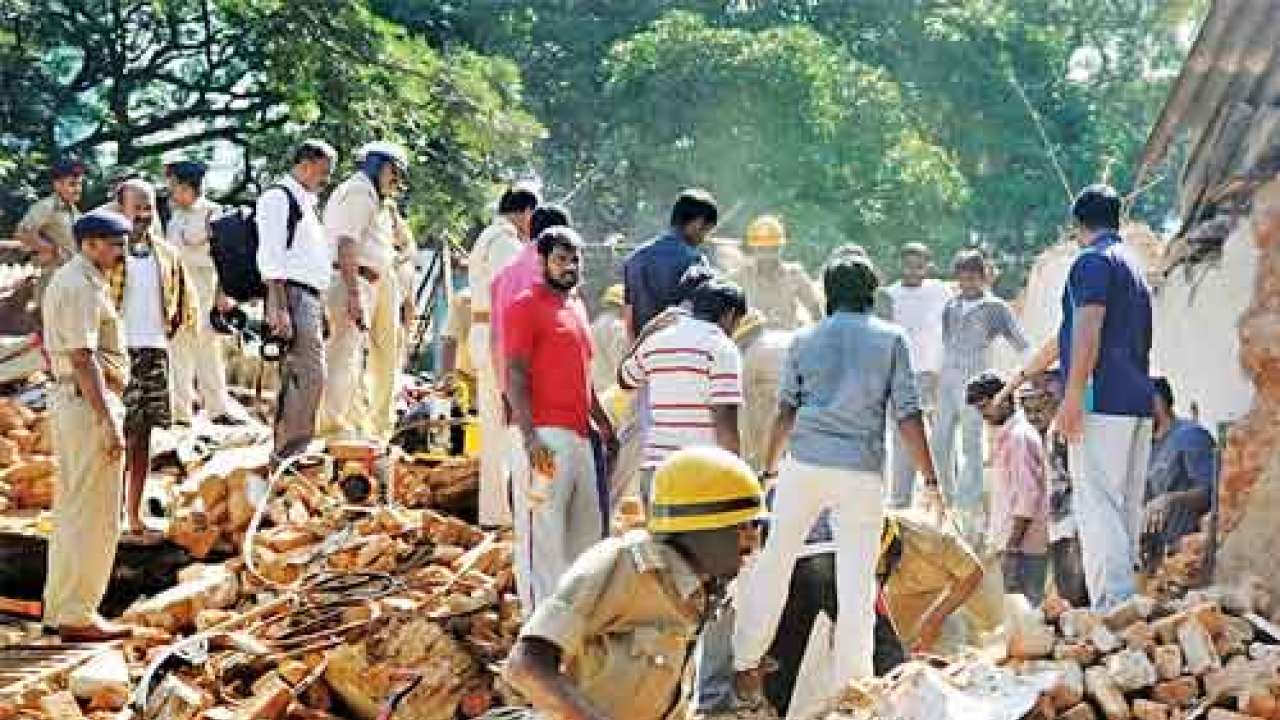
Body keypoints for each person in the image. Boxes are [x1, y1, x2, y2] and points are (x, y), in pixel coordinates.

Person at [734, 252, 941, 696]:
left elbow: (785, 411)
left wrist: (768, 468)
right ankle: (854, 686)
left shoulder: (803, 339)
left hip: (803, 466)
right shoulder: (891, 339)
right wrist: (931, 479)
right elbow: (908, 415)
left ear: (828, 293)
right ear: (870, 293)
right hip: (860, 473)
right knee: (856, 583)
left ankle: (745, 659)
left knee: (774, 563)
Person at [503, 446, 763, 720]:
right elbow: (526, 666)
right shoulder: (624, 564)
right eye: (742, 527)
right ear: (701, 528)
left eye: (757, 527)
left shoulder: (703, 596)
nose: (753, 541)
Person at [1002, 184, 1154, 611]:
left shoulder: (1091, 262)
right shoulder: (1132, 265)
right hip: (1136, 400)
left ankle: (1113, 602)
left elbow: (1087, 329)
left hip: (1100, 399)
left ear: (1077, 227)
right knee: (1122, 505)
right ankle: (1126, 602)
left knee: (1096, 502)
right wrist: (1022, 375)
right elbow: (1065, 335)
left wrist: (1073, 398)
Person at [765, 514, 986, 718]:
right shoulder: (852, 555)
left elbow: (974, 573)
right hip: (901, 609)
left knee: (948, 677)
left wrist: (935, 619)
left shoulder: (927, 539)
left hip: (949, 599)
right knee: (901, 674)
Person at [505, 227, 617, 610]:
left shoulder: (577, 308)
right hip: (543, 440)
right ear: (542, 262)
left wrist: (604, 423)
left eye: (575, 259)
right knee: (543, 535)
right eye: (560, 259)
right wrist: (529, 438)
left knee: (585, 537)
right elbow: (514, 374)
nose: (570, 267)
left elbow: (583, 376)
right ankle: (538, 626)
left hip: (581, 437)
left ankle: (573, 622)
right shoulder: (524, 305)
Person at [41, 210, 130, 642]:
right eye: (114, 244)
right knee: (94, 514)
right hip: (87, 403)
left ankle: (62, 608)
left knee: (74, 509)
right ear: (90, 244)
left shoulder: (79, 280)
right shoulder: (79, 285)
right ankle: (78, 613)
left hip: (76, 401)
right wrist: (107, 419)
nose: (121, 253)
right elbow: (82, 357)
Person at [106, 179, 197, 543]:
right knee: (115, 436)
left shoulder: (166, 254)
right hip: (118, 354)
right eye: (137, 207)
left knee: (143, 437)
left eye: (149, 207)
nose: (144, 214)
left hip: (154, 352)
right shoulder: (108, 254)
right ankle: (108, 515)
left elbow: (184, 303)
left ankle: (133, 514)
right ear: (120, 208)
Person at [618, 279, 746, 504]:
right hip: (699, 472)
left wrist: (646, 332)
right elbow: (725, 421)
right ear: (730, 315)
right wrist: (737, 476)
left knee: (658, 529)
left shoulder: (655, 341)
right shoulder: (721, 347)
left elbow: (624, 380)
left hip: (657, 471)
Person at [933, 250, 1028, 536]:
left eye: (973, 277)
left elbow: (1020, 342)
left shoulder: (995, 308)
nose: (967, 283)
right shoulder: (950, 307)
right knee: (939, 442)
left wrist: (1028, 372)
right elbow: (946, 344)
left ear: (983, 277)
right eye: (962, 277)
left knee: (971, 445)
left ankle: (967, 508)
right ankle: (947, 499)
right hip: (948, 382)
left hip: (975, 383)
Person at [320, 141, 409, 442]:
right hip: (353, 279)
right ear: (378, 166)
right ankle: (331, 428)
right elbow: (346, 243)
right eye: (393, 171)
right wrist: (354, 294)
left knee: (360, 358)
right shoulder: (358, 192)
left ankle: (363, 425)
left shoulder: (376, 199)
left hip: (371, 281)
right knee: (342, 357)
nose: (396, 180)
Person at [258, 140, 337, 465]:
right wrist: (278, 306)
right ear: (306, 165)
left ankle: (294, 450)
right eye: (323, 171)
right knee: (306, 375)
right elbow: (271, 255)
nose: (326, 179)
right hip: (290, 294)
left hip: (309, 296)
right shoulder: (279, 198)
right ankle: (288, 454)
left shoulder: (306, 203)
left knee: (309, 375)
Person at [468, 185, 539, 528]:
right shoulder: (504, 242)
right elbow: (507, 298)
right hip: (498, 336)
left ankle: (496, 511)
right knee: (505, 426)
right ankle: (502, 512)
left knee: (494, 426)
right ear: (526, 212)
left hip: (485, 332)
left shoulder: (489, 237)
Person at [164, 160, 243, 426]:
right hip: (177, 283)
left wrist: (223, 293)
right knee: (179, 349)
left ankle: (218, 409)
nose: (171, 191)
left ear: (187, 186)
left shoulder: (213, 213)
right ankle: (180, 412)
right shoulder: (174, 215)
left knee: (208, 349)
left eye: (174, 185)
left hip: (204, 283)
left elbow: (223, 258)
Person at [966, 371, 1049, 604]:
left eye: (985, 406)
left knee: (1026, 615)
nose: (983, 415)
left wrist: (1011, 548)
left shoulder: (1018, 438)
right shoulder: (1009, 435)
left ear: (1004, 398)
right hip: (1013, 546)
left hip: (1023, 549)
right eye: (979, 409)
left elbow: (1027, 498)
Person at [885, 242, 951, 509]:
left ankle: (947, 499)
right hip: (901, 375)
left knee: (942, 438)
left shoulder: (940, 291)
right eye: (909, 265)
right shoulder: (890, 296)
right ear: (900, 265)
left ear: (928, 267)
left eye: (919, 266)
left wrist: (943, 370)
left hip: (935, 374)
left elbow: (950, 329)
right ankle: (900, 500)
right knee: (903, 439)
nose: (913, 271)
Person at [492, 203, 573, 395]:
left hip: (511, 385)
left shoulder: (503, 276)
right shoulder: (555, 273)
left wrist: (504, 390)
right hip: (550, 385)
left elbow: (495, 337)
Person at [1141, 377, 1215, 574]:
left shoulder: (1190, 435)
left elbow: (1211, 492)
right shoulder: (1146, 446)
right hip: (1158, 559)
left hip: (1189, 556)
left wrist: (1171, 499)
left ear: (1157, 401)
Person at [622, 189, 717, 339]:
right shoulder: (695, 261)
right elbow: (702, 317)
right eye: (707, 231)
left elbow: (629, 318)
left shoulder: (634, 259)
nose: (703, 239)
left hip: (644, 348)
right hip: (680, 348)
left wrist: (636, 349)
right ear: (698, 223)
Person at [727, 215, 822, 331]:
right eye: (762, 249)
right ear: (753, 248)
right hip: (751, 340)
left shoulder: (795, 275)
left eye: (772, 249)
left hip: (787, 339)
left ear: (780, 248)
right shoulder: (739, 277)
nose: (767, 255)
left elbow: (816, 312)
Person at [16, 159, 85, 311]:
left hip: (73, 280)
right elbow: (23, 232)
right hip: (52, 280)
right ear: (57, 185)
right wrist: (50, 249)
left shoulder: (75, 212)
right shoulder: (46, 207)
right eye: (72, 184)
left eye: (80, 184)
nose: (78, 189)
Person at [733, 309, 793, 470]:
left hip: (777, 407)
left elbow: (744, 406)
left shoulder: (751, 353)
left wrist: (750, 453)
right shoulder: (785, 337)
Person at [591, 284, 628, 394]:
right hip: (614, 391)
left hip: (598, 389)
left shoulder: (594, 325)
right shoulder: (618, 327)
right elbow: (621, 364)